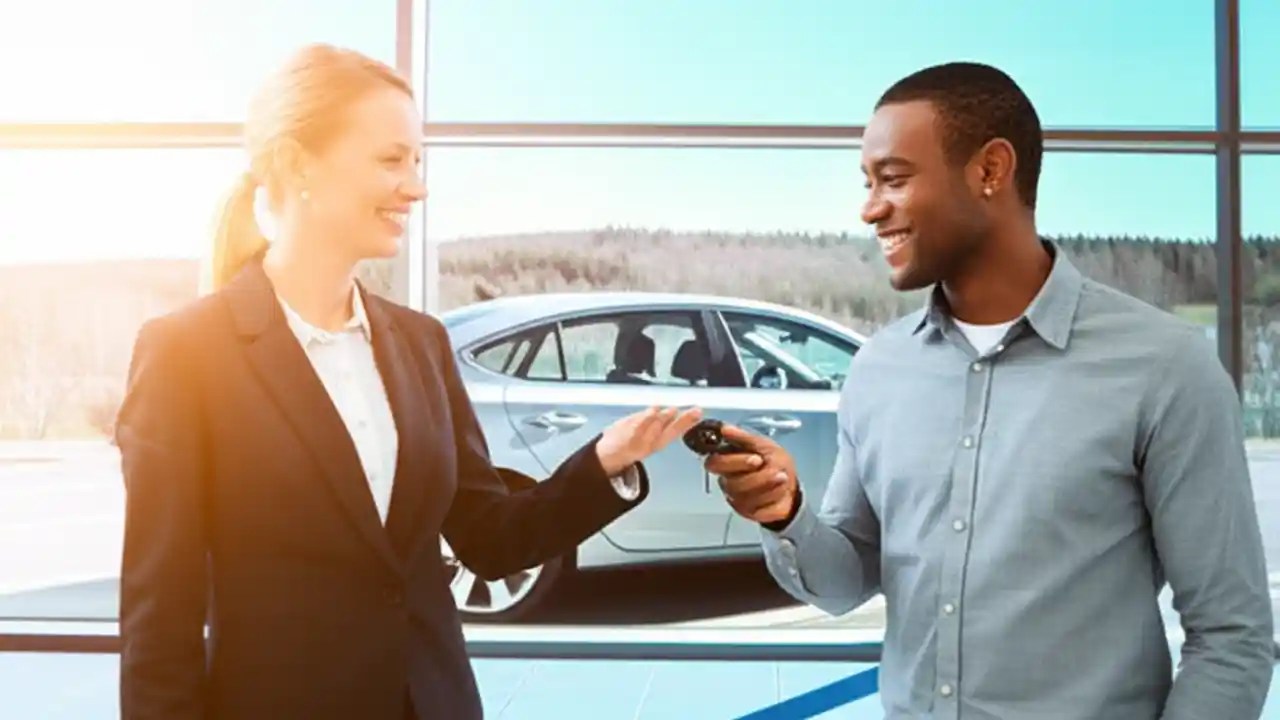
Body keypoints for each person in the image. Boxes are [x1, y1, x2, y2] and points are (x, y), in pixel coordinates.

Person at [114, 43, 701, 720]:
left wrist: (602, 465)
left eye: (418, 162)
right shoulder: (186, 353)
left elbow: (491, 538)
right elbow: (160, 625)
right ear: (298, 164)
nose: (416, 186)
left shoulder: (422, 344)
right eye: (391, 160)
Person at [708, 61, 1274, 719]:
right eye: (867, 183)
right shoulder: (878, 369)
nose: (869, 208)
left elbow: (1232, 639)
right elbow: (843, 582)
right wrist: (784, 514)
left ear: (989, 171)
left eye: (892, 179)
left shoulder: (1165, 368)